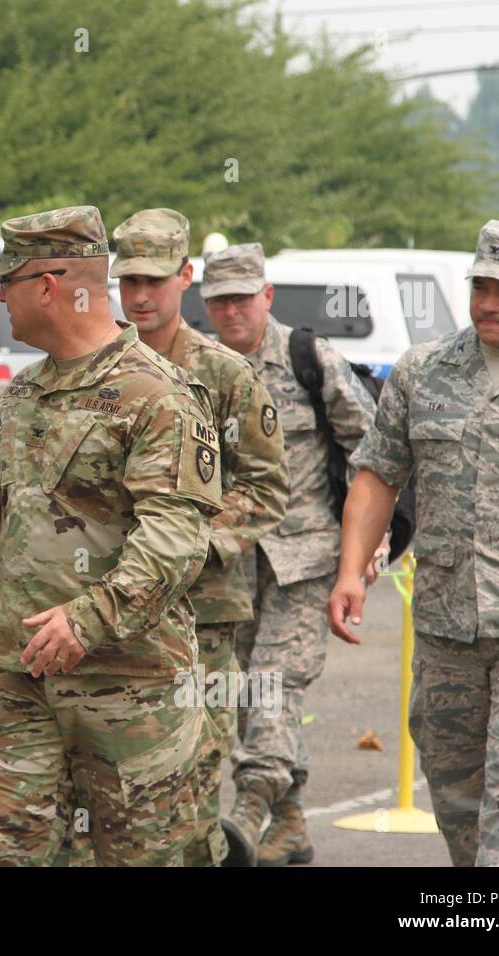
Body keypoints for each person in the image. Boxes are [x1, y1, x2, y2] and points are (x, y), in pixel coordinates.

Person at [0, 205, 224, 866]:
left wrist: (87, 620)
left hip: (128, 690)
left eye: (6, 281)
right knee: (8, 852)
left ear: (48, 284)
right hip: (24, 683)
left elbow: (175, 540)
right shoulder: (26, 393)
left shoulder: (155, 395)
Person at [329, 220, 499, 867]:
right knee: (459, 802)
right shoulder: (424, 372)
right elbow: (379, 473)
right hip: (446, 628)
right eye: (481, 286)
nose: (489, 302)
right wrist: (351, 572)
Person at [112, 209, 289, 866]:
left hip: (202, 613)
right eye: (127, 279)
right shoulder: (98, 367)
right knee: (115, 789)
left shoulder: (223, 374)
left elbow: (268, 486)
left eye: (154, 279)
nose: (138, 295)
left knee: (192, 782)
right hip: (112, 612)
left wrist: (191, 540)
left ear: (184, 277)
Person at [201, 242, 378, 866]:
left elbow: (374, 454)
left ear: (266, 297)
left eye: (242, 298)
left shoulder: (309, 358)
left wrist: (366, 550)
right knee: (246, 696)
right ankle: (292, 823)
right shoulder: (199, 368)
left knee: (275, 688)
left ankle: (249, 809)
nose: (232, 311)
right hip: (228, 565)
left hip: (306, 562)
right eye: (219, 300)